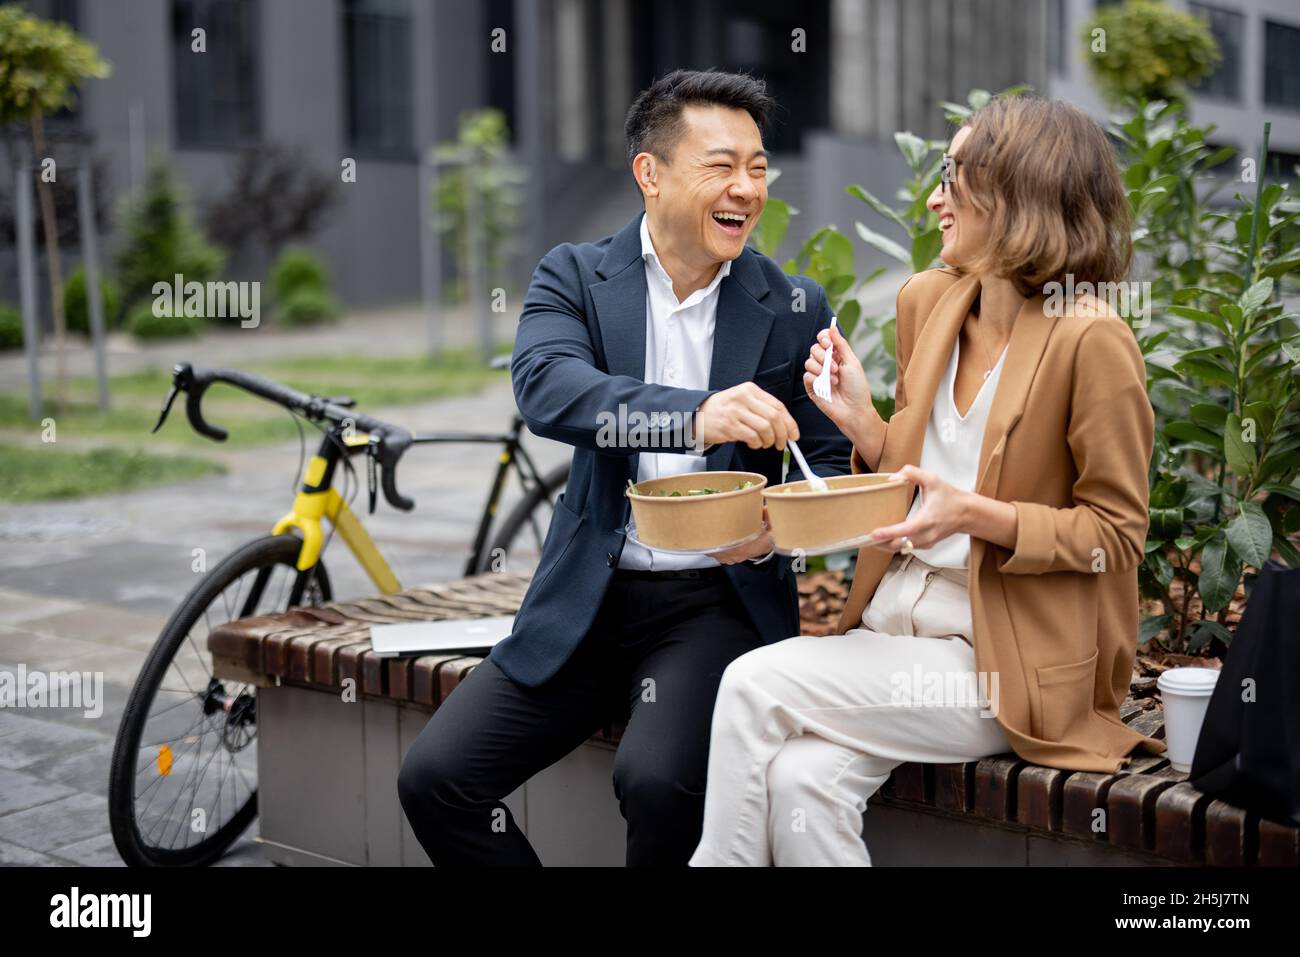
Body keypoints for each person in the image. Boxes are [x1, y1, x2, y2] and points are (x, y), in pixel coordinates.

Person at [689, 96, 1167, 867]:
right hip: (891, 632)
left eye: (954, 173)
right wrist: (864, 425)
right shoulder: (929, 302)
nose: (935, 196)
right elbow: (916, 480)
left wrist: (979, 515)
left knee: (751, 685)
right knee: (803, 782)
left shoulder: (1092, 337)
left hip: (997, 661)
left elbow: (1115, 535)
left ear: (1019, 190)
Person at [397, 69, 851, 866]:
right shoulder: (574, 276)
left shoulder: (794, 305)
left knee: (657, 781)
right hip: (587, 598)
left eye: (757, 166)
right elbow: (547, 387)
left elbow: (825, 459)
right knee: (435, 777)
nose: (747, 187)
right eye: (721, 165)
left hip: (713, 607)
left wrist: (776, 532)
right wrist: (695, 412)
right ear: (652, 173)